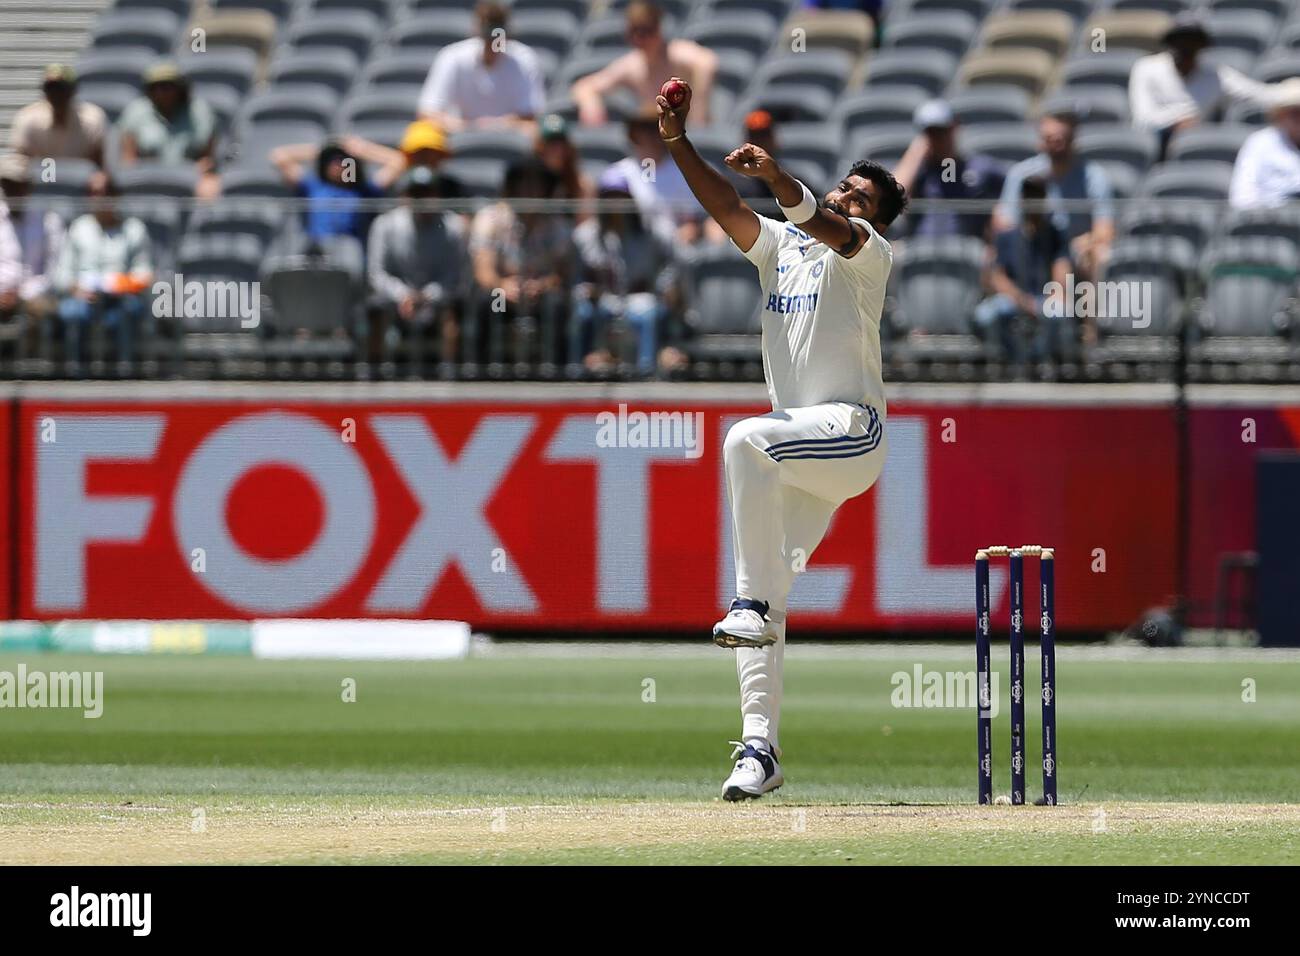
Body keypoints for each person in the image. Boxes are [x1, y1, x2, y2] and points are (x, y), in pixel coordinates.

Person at [655, 76, 905, 800]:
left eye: (861, 198)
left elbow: (825, 223)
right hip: (799, 445)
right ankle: (759, 751)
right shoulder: (782, 249)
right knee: (767, 593)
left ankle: (750, 606)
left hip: (851, 435)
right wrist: (676, 139)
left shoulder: (868, 257)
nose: (848, 201)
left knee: (741, 441)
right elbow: (725, 206)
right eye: (846, 190)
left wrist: (778, 178)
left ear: (877, 220)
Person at [570, 166, 677, 373]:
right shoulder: (585, 236)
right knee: (582, 312)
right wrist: (585, 290)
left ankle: (645, 371)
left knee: (648, 313)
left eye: (620, 197)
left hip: (638, 297)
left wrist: (665, 287)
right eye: (610, 198)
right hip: (602, 299)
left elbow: (670, 261)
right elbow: (576, 279)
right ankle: (578, 370)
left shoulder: (649, 233)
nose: (615, 204)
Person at [1129, 13, 1277, 159]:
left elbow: (1259, 94)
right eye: (1180, 41)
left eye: (1191, 42)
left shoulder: (1216, 75)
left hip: (1197, 145)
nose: (1185, 47)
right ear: (1171, 43)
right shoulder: (1146, 68)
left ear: (1200, 47)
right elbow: (1143, 120)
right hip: (1157, 147)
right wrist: (1179, 121)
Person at [469, 158, 570, 367]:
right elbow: (483, 271)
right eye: (523, 184)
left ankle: (555, 370)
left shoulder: (557, 225)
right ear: (512, 187)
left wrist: (541, 286)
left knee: (557, 304)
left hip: (539, 295)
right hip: (503, 294)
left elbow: (561, 273)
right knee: (486, 302)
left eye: (536, 184)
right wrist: (502, 286)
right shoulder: (490, 219)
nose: (529, 191)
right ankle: (482, 370)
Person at [367, 165, 467, 370]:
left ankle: (449, 371)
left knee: (454, 311)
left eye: (428, 193)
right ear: (405, 196)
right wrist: (402, 294)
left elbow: (454, 275)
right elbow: (377, 274)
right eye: (416, 194)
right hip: (395, 300)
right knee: (374, 307)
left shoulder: (454, 227)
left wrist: (428, 296)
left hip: (437, 300)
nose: (423, 200)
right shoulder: (385, 224)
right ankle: (375, 370)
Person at [52, 172, 152, 373]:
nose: (96, 198)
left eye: (103, 192)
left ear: (115, 196)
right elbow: (61, 276)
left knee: (128, 310)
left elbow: (145, 275)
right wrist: (77, 290)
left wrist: (121, 285)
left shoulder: (134, 229)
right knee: (71, 311)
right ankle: (76, 374)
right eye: (92, 192)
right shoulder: (78, 228)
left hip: (121, 299)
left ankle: (125, 373)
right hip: (84, 299)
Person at [994, 110, 1113, 279]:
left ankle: (1091, 305)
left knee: (1100, 254)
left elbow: (1104, 231)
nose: (1056, 144)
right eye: (1049, 139)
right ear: (1040, 140)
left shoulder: (1093, 177)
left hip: (1076, 253)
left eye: (1061, 139)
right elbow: (1005, 222)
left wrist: (1087, 242)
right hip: (1033, 250)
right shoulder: (1023, 175)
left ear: (1073, 140)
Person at [571, 0, 718, 127]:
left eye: (646, 30)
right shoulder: (632, 65)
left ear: (658, 28)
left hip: (691, 133)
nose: (640, 38)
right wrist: (591, 106)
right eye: (634, 31)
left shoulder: (676, 53)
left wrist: (698, 110)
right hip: (659, 137)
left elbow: (707, 62)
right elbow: (585, 86)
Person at [976, 176, 1073, 365]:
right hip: (1014, 298)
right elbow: (998, 278)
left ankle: (1038, 360)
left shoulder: (1055, 234)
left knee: (1060, 311)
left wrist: (1053, 296)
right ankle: (1012, 359)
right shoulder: (1006, 236)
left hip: (1044, 298)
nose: (1033, 201)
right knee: (986, 316)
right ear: (1021, 199)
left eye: (1038, 196)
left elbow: (1061, 273)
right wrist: (1023, 301)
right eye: (1029, 196)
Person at [417, 1, 544, 133]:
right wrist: (467, 127)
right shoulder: (453, 57)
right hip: (459, 139)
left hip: (511, 141)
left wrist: (497, 125)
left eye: (498, 36)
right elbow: (427, 113)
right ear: (478, 33)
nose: (493, 44)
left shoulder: (525, 59)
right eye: (488, 37)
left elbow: (531, 118)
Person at [893, 99, 1003, 238]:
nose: (938, 139)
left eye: (942, 131)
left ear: (954, 128)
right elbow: (892, 197)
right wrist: (916, 153)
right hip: (921, 249)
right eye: (931, 133)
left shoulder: (980, 168)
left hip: (969, 251)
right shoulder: (918, 171)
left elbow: (1013, 193)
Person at [270, 136, 406, 248]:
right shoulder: (313, 186)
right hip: (318, 251)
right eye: (332, 160)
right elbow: (280, 156)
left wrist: (364, 150)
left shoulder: (364, 190)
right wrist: (323, 150)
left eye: (344, 160)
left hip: (351, 253)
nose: (338, 165)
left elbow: (398, 161)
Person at [116, 63, 219, 197]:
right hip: (147, 178)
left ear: (180, 89)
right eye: (154, 88)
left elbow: (208, 159)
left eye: (166, 87)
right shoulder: (135, 112)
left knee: (211, 186)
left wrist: (198, 169)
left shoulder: (200, 112)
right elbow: (128, 160)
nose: (160, 92)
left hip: (190, 179)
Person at [0, 153, 63, 353]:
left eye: (17, 184)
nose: (11, 190)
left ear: (28, 187)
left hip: (33, 295)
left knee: (44, 310)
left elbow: (53, 271)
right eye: (7, 184)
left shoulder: (48, 221)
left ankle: (30, 370)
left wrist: (21, 294)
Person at [610, 111, 703, 244]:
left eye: (657, 127)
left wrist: (685, 235)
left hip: (674, 247)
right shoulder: (617, 174)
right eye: (645, 128)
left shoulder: (684, 173)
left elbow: (691, 221)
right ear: (634, 133)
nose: (652, 135)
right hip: (630, 248)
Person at [10, 64, 106, 166]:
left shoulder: (92, 119)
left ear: (72, 91)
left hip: (78, 180)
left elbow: (100, 165)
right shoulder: (28, 119)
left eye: (61, 89)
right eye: (51, 89)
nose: (56, 94)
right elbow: (19, 159)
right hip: (40, 178)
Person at [1229, 79, 1300, 210]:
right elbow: (1243, 196)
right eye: (1295, 112)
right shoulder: (1260, 142)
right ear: (1281, 115)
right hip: (1270, 220)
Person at [534, 114, 595, 219]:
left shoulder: (581, 184)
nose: (557, 149)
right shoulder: (530, 180)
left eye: (560, 142)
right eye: (551, 143)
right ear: (540, 146)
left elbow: (585, 224)